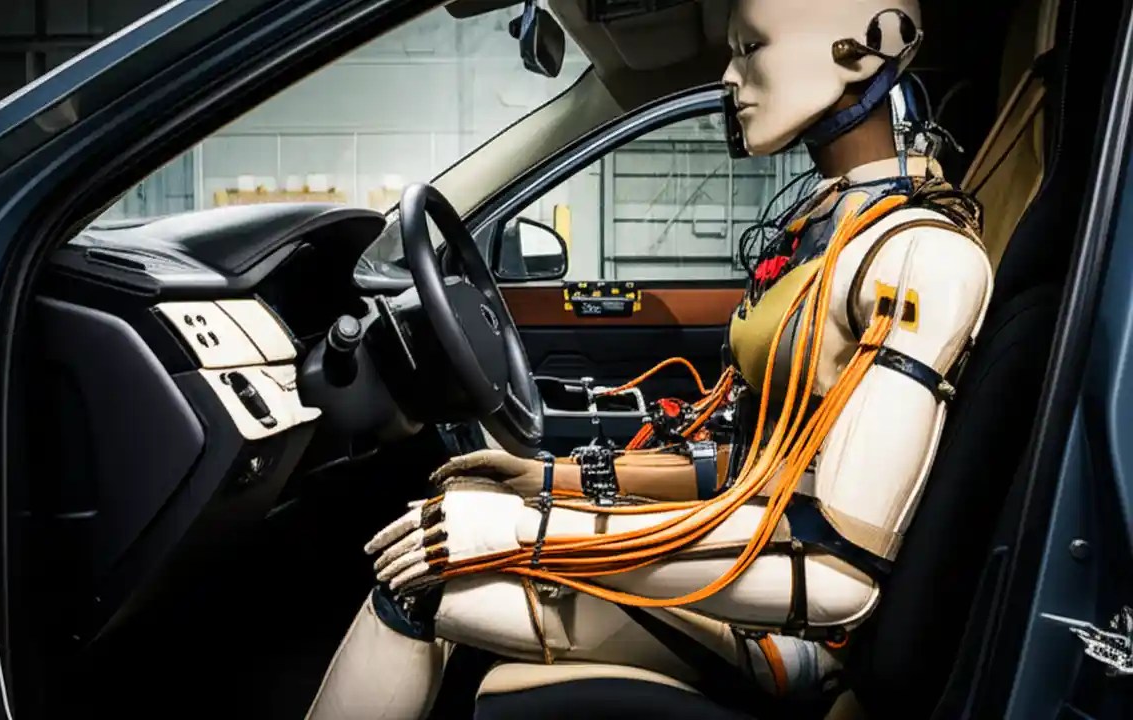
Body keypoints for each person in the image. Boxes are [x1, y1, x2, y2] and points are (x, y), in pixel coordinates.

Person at [306, 1, 993, 717]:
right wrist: (549, 477)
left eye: (750, 47)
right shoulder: (832, 222)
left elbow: (838, 580)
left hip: (791, 638)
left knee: (415, 579)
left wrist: (525, 532)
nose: (730, 77)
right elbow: (746, 465)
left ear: (865, 47)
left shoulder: (920, 256)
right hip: (753, 565)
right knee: (461, 517)